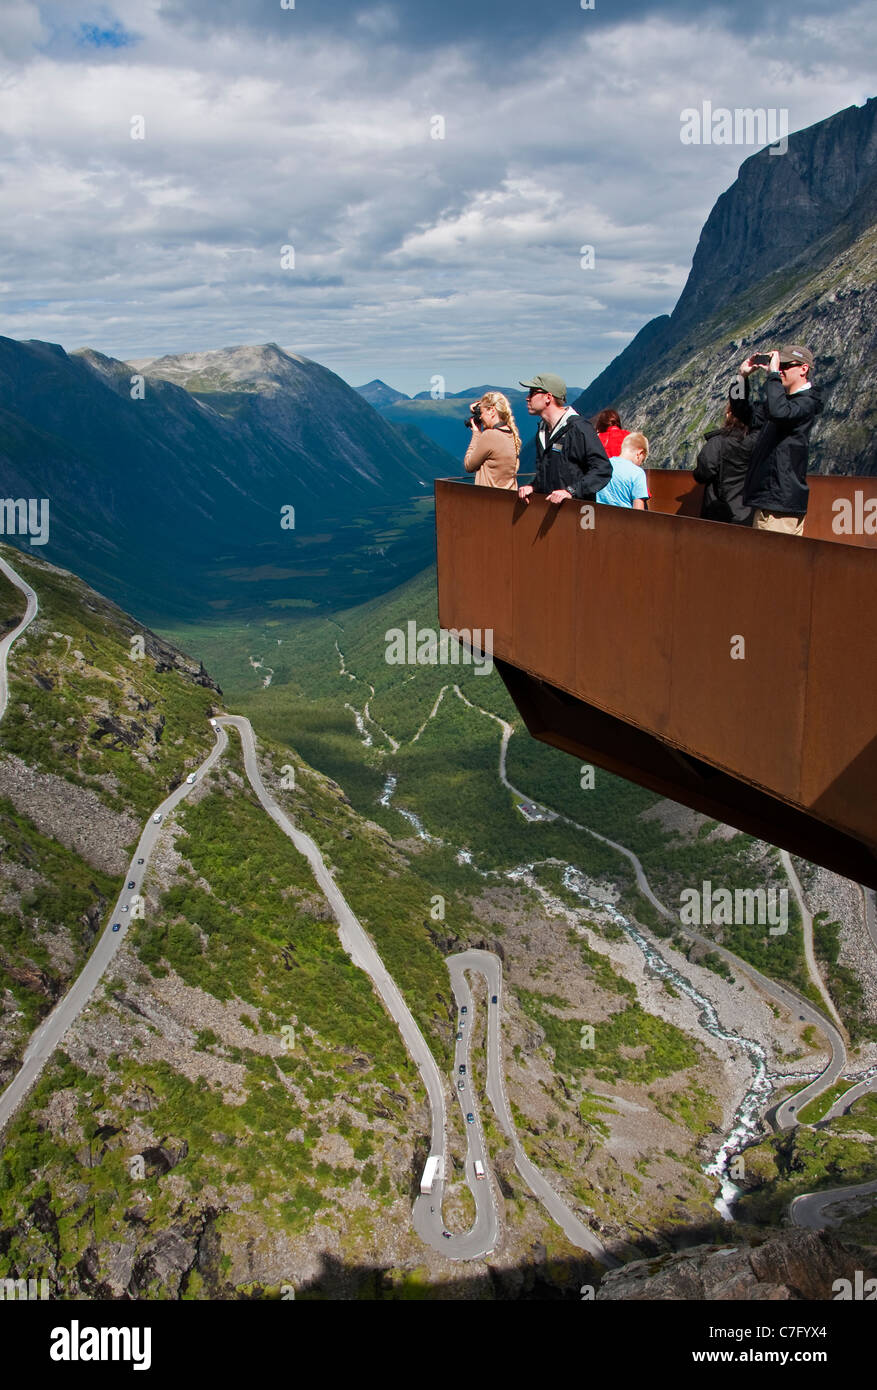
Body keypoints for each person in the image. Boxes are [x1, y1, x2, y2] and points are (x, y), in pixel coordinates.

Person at [739, 345, 822, 535]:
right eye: (779, 365)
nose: (781, 369)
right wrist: (741, 379)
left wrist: (773, 375)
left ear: (804, 369)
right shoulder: (784, 403)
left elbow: (779, 413)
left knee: (767, 563)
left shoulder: (805, 403)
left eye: (786, 366)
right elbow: (746, 415)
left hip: (779, 504)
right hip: (774, 500)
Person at [517, 373, 611, 506]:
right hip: (550, 513)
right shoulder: (543, 430)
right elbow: (548, 471)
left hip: (577, 514)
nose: (527, 398)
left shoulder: (579, 428)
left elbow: (603, 469)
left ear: (548, 397)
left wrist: (571, 491)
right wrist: (533, 486)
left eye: (532, 393)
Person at [693, 394, 755, 525]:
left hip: (719, 514)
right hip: (749, 514)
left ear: (729, 415)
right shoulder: (756, 443)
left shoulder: (718, 443)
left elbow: (702, 473)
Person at [462, 391, 520, 489]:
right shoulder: (511, 434)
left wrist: (476, 433)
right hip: (507, 499)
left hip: (489, 500)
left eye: (482, 413)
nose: (480, 416)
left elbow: (469, 465)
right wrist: (481, 405)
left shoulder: (490, 435)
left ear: (492, 411)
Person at [596, 432, 650, 509]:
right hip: (625, 520)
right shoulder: (638, 473)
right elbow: (638, 512)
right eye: (642, 460)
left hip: (599, 517)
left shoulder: (603, 465)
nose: (640, 464)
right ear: (640, 453)